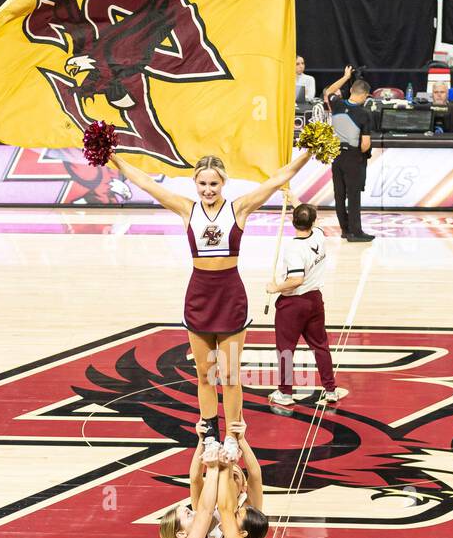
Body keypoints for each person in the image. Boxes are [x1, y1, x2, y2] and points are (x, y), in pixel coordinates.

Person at [111, 148, 310, 437]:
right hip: (199, 297)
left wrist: (307, 154)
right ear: (195, 183)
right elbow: (147, 183)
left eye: (213, 184)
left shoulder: (238, 208)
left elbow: (278, 178)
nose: (207, 190)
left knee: (229, 375)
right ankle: (210, 430)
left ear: (223, 183)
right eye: (202, 184)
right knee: (204, 374)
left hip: (230, 297)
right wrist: (114, 158)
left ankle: (233, 433)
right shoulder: (186, 209)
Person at [267, 202, 347, 405]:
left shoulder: (294, 248)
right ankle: (330, 390)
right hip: (314, 301)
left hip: (293, 303)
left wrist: (274, 288)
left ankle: (285, 394)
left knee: (285, 349)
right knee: (321, 346)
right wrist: (290, 194)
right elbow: (308, 214)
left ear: (292, 221)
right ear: (313, 221)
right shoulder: (319, 235)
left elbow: (296, 279)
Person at [324, 66, 373, 241]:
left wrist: (345, 76)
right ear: (365, 95)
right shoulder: (364, 114)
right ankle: (356, 233)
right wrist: (358, 154)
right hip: (353, 156)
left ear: (351, 90)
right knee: (353, 196)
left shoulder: (336, 104)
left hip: (336, 155)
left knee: (339, 195)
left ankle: (345, 231)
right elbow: (365, 144)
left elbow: (328, 90)